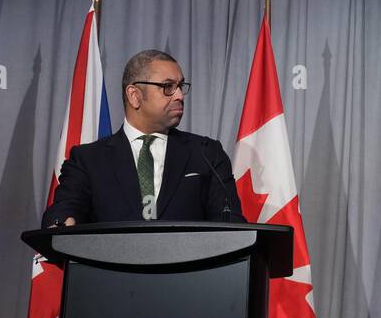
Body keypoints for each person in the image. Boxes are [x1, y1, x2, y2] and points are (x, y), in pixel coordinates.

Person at [42, 49, 245, 226]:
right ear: (134, 95)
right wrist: (61, 221)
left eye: (180, 86)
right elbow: (64, 209)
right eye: (167, 87)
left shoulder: (206, 153)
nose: (179, 96)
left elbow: (230, 222)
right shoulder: (88, 160)